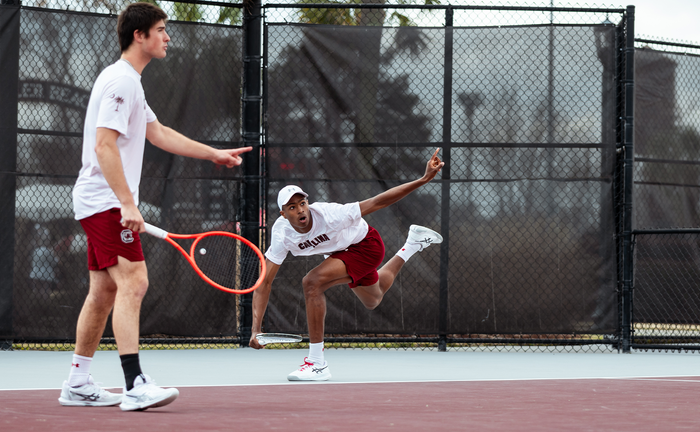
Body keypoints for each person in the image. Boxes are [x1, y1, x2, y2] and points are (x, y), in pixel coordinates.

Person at [58, 3, 252, 411]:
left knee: (105, 290)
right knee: (135, 282)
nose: (167, 37)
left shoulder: (130, 82)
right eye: (161, 30)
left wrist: (213, 154)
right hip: (106, 202)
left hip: (99, 201)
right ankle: (135, 385)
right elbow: (104, 145)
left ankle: (77, 382)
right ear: (139, 35)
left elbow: (158, 132)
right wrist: (128, 204)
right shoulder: (121, 82)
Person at [249, 149, 445, 381]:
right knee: (375, 297)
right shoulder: (282, 234)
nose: (300, 210)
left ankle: (317, 363)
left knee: (312, 283)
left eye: (302, 203)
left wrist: (423, 179)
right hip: (340, 254)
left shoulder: (332, 214)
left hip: (366, 246)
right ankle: (412, 244)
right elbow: (265, 282)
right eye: (292, 207)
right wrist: (255, 329)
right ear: (283, 214)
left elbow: (378, 201)